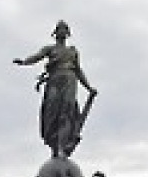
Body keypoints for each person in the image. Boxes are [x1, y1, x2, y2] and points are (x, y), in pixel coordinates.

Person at [13, 20, 97, 158]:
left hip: (69, 80)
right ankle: (54, 145)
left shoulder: (73, 51)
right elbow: (37, 56)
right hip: (54, 80)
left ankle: (61, 147)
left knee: (66, 113)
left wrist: (89, 87)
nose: (62, 31)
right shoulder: (50, 49)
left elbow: (78, 70)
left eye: (65, 29)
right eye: (59, 29)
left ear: (68, 33)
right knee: (51, 113)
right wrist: (24, 62)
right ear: (55, 33)